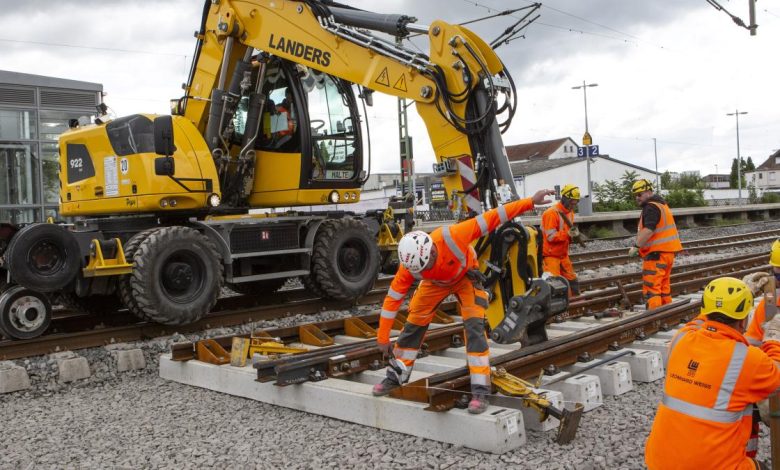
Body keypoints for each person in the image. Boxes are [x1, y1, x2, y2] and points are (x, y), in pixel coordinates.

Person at [372, 188, 555, 414]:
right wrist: (382, 337)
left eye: (427, 265)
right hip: (434, 285)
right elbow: (392, 301)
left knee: (474, 327)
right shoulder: (410, 267)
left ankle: (480, 389)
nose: (425, 269)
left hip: (465, 278)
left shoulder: (455, 235)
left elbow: (494, 216)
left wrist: (530, 201)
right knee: (413, 325)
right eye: (419, 270)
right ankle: (396, 375)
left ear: (431, 250)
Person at [644, 277, 780, 470]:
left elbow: (698, 322)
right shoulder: (746, 359)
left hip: (659, 461)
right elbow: (776, 378)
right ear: (744, 320)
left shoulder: (680, 339)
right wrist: (774, 339)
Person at [628, 179, 682, 309]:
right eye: (635, 195)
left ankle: (654, 316)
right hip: (668, 253)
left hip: (656, 254)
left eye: (639, 194)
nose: (637, 198)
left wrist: (636, 247)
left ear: (648, 192)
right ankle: (667, 313)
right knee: (663, 287)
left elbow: (648, 230)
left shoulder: (650, 207)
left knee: (652, 288)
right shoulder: (662, 205)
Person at [541, 184, 581, 296]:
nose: (574, 204)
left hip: (563, 255)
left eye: (576, 202)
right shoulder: (551, 213)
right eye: (573, 202)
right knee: (554, 285)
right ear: (565, 198)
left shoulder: (570, 213)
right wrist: (568, 234)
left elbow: (567, 233)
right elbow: (551, 237)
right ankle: (558, 309)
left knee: (572, 281)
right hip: (551, 256)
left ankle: (575, 304)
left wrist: (572, 236)